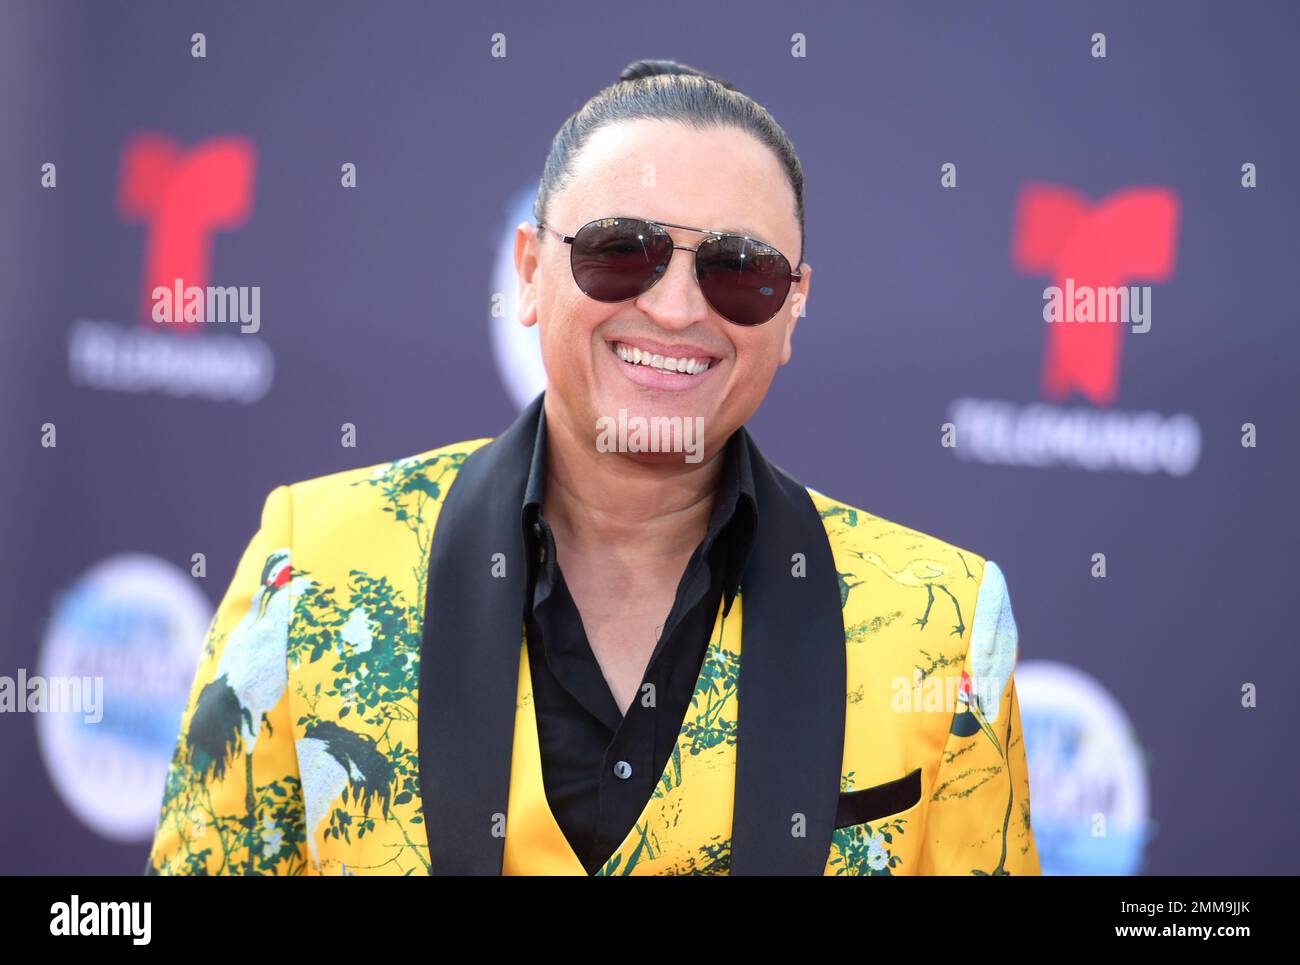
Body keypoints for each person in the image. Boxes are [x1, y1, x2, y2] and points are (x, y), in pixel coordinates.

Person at [147, 58, 1040, 876]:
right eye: (622, 250)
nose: (678, 306)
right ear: (531, 273)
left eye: (741, 270)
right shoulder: (316, 562)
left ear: (794, 308)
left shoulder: (945, 623)